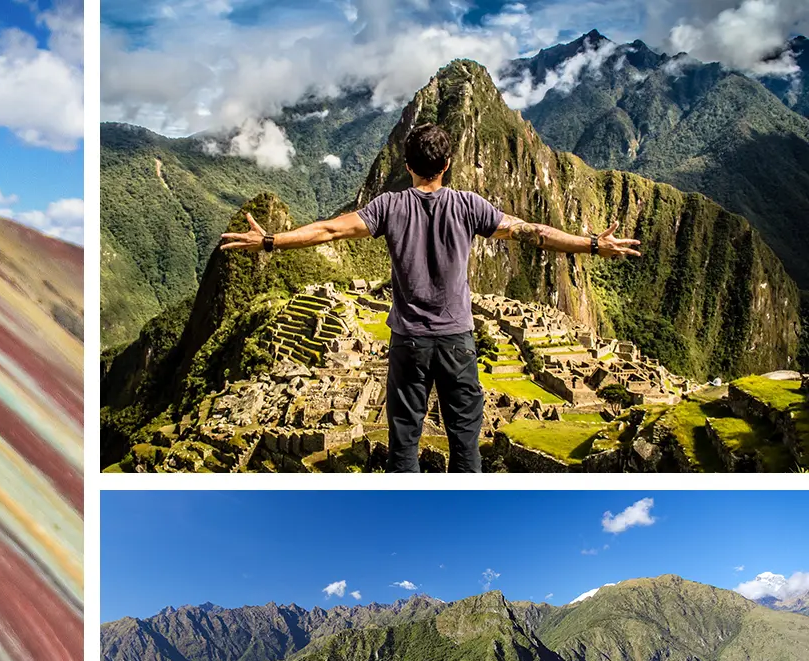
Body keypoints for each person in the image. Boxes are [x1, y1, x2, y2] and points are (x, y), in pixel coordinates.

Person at [220, 122, 642, 472]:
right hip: (458, 341)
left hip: (409, 344)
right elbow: (532, 231)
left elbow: (328, 230)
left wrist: (272, 240)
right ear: (447, 165)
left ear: (406, 165)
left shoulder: (388, 206)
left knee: (404, 445)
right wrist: (590, 244)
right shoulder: (468, 206)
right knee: (465, 445)